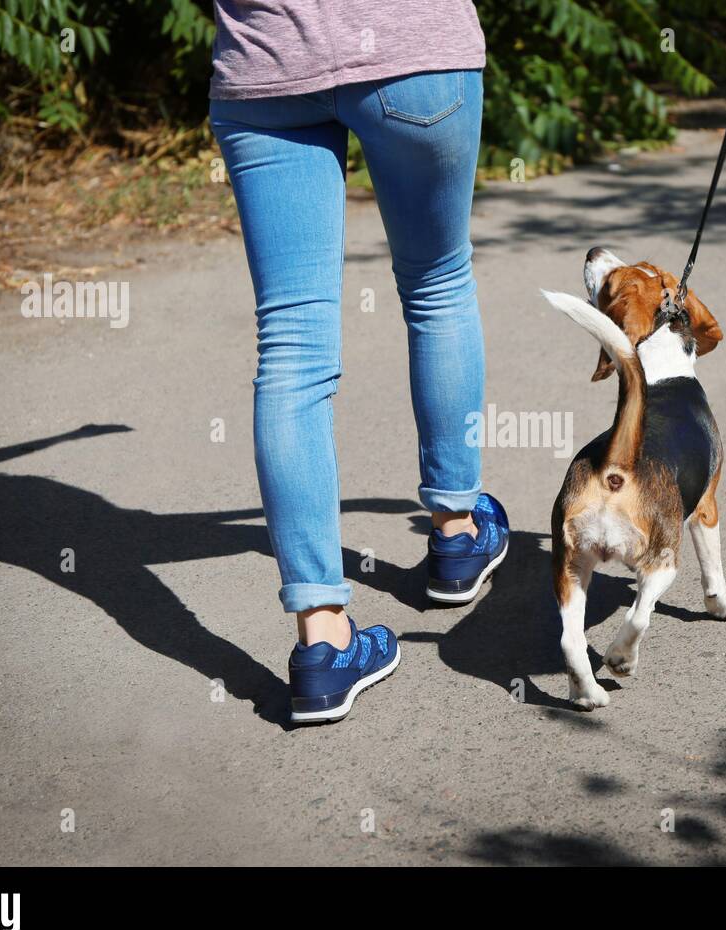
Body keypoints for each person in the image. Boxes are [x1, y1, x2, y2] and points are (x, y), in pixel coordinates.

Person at [208, 0, 508, 724]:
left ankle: (321, 640)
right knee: (437, 284)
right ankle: (458, 535)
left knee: (291, 343)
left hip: (269, 64)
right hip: (415, 53)